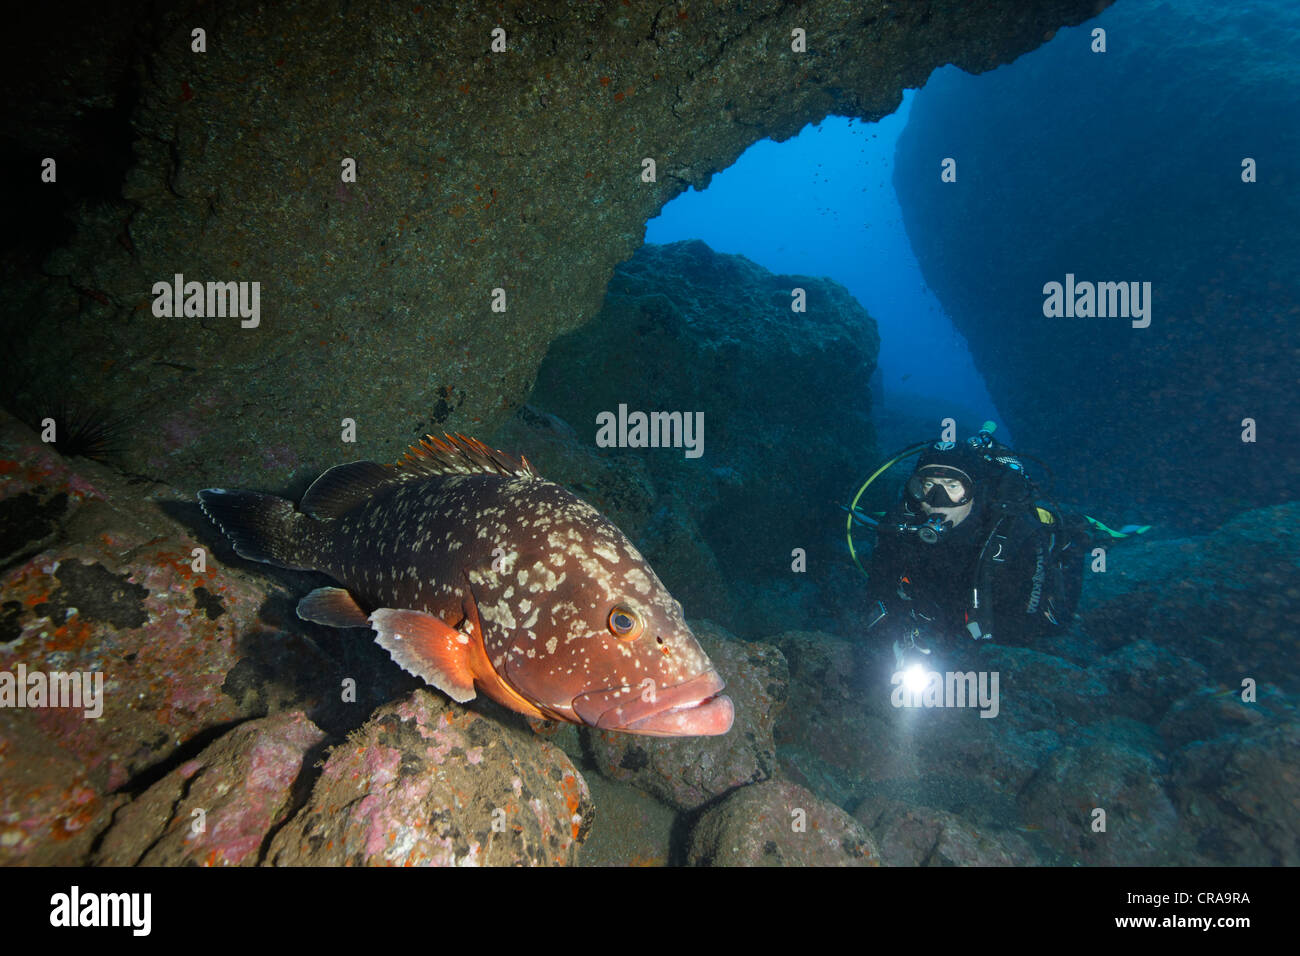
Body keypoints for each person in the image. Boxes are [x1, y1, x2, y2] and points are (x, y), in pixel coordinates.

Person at [863, 431, 1087, 669]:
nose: (937, 499)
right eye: (928, 485)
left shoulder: (1015, 533)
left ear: (974, 491)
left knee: (1054, 624)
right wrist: (892, 629)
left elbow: (1024, 627)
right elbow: (878, 588)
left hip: (1004, 604)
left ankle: (1075, 537)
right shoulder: (902, 524)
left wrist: (948, 628)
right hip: (955, 609)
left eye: (952, 486)